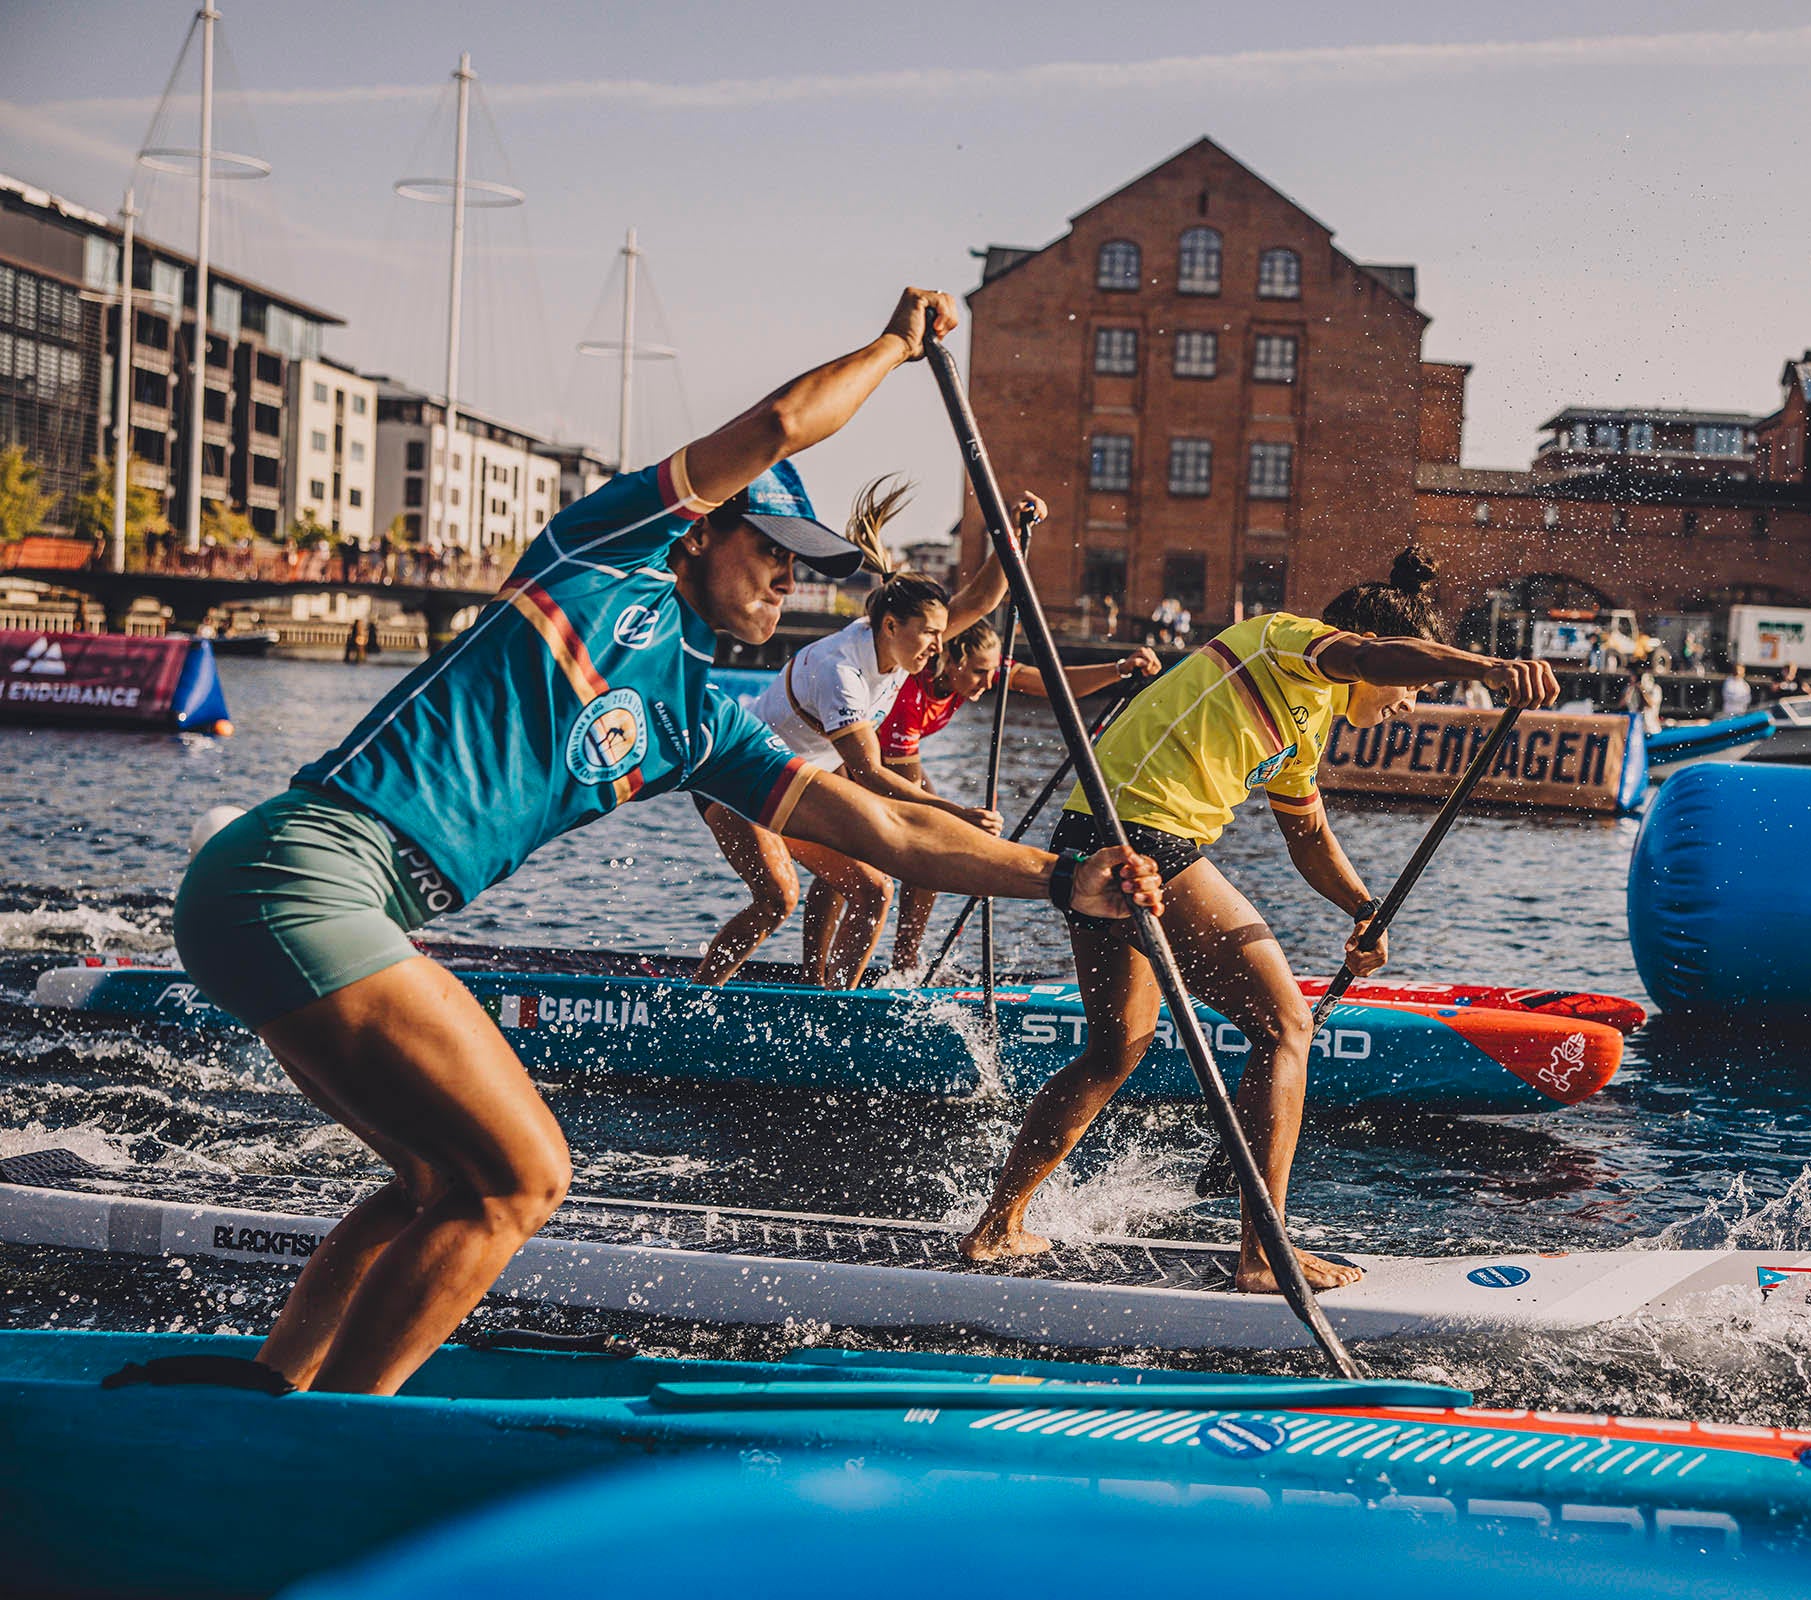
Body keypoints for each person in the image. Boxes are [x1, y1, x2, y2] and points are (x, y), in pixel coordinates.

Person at [171, 287, 1164, 1397]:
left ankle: (276, 1397)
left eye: (807, 565)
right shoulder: (604, 553)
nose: (792, 579)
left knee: (428, 1183)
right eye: (774, 550)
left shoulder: (700, 717)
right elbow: (781, 427)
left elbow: (885, 828)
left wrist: (1066, 881)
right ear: (702, 534)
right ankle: (331, 1445)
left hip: (315, 902)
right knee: (524, 1178)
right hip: (303, 872)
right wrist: (892, 347)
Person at [961, 550, 1558, 1292]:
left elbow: (1307, 837)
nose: (1410, 702)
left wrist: (1363, 910)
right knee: (1286, 1027)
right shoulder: (1285, 639)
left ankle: (997, 1227)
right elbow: (1372, 653)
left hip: (1095, 836)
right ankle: (1263, 1255)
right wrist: (1485, 667)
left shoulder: (1307, 731)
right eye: (1412, 687)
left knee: (1118, 1049)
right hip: (1141, 835)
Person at [694, 476, 1020, 989]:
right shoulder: (840, 671)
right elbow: (868, 773)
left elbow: (980, 600)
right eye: (932, 635)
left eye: (941, 633)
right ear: (890, 626)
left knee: (873, 890)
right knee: (778, 897)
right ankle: (698, 998)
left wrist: (1010, 534)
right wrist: (956, 813)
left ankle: (834, 1007)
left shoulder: (905, 644)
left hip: (794, 782)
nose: (940, 647)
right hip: (734, 778)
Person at [883, 624, 1161, 974]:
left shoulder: (973, 673)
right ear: (950, 660)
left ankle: (903, 968)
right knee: (874, 869)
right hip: (854, 763)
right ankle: (827, 981)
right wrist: (960, 816)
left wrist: (1119, 669)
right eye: (979, 672)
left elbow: (1054, 684)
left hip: (897, 760)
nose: (989, 682)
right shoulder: (912, 696)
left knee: (928, 850)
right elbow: (906, 799)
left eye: (993, 671)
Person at [1622, 661, 1663, 735]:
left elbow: (1650, 704)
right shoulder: (1631, 689)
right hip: (1638, 730)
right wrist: (1632, 689)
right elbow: (1624, 704)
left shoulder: (1656, 689)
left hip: (1652, 729)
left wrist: (1642, 690)